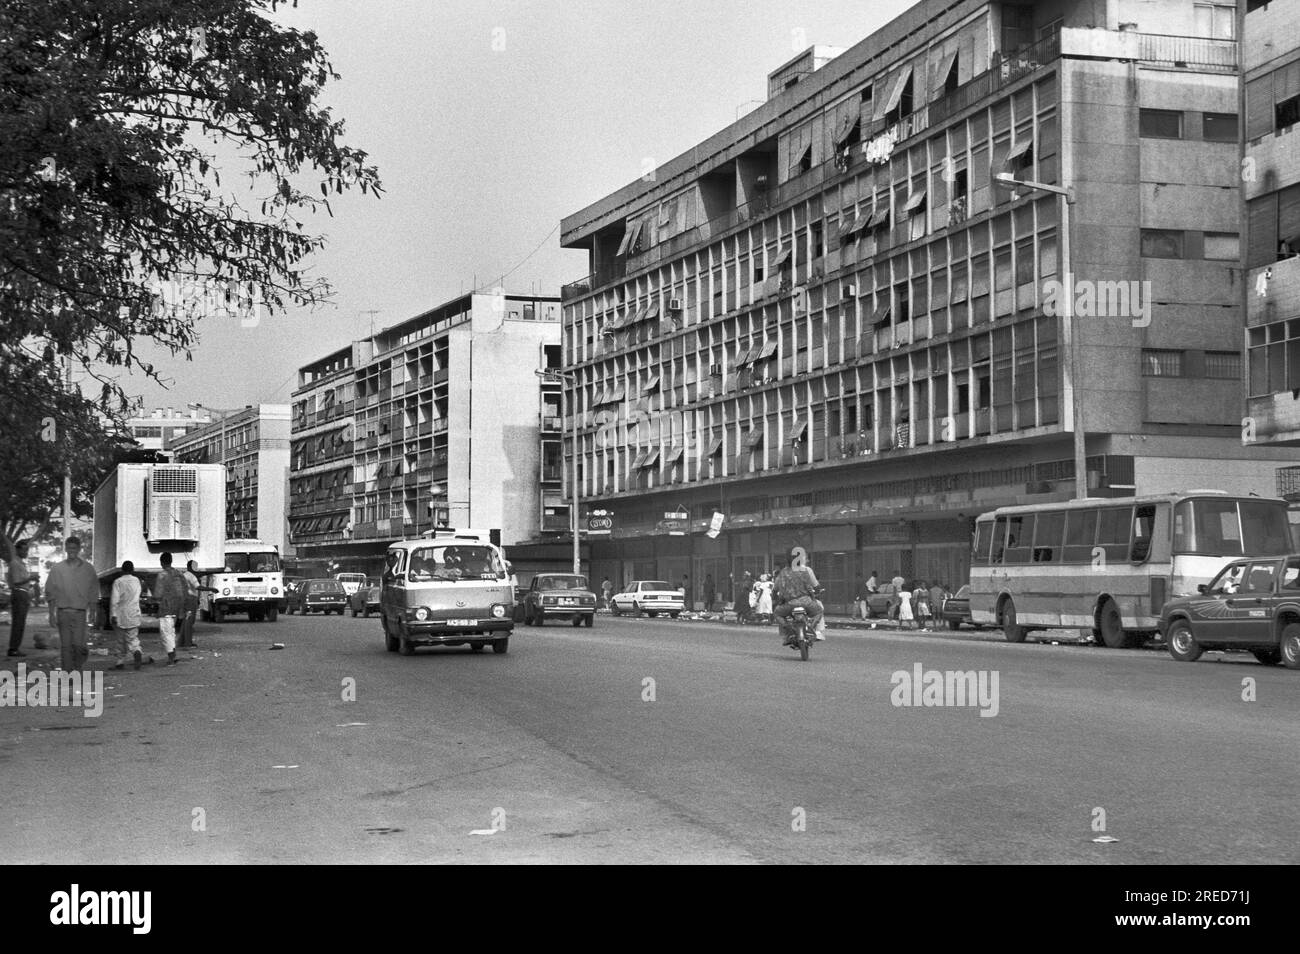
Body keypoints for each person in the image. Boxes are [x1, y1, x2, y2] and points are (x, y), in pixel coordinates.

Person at [44, 536, 100, 671]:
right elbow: (50, 592)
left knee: (78, 645)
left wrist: (93, 612)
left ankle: (77, 669)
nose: (71, 551)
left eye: (74, 548)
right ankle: (68, 673)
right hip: (63, 613)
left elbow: (93, 591)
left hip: (80, 613)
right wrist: (51, 614)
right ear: (66, 549)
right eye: (69, 548)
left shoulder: (88, 569)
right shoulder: (57, 569)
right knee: (66, 646)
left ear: (79, 549)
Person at [773, 553, 825, 644]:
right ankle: (813, 629)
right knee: (819, 611)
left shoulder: (783, 572)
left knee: (777, 613)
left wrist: (775, 598)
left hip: (789, 604)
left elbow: (775, 589)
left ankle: (787, 633)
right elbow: (816, 586)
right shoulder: (807, 570)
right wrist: (817, 592)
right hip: (807, 602)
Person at [109, 561, 151, 670]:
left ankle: (120, 661)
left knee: (120, 639)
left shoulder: (118, 582)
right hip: (134, 612)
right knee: (133, 637)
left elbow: (115, 600)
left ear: (122, 570)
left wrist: (113, 614)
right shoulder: (137, 581)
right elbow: (138, 595)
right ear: (132, 570)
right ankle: (136, 651)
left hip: (121, 614)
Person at [4, 537, 37, 658]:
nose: (26, 553)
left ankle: (15, 647)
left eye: (27, 550)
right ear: (17, 550)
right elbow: (17, 581)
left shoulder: (21, 564)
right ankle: (13, 649)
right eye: (23, 550)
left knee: (21, 622)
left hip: (23, 593)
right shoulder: (15, 563)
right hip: (19, 593)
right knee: (18, 622)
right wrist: (30, 578)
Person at [153, 551, 186, 665]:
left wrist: (155, 600)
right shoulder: (179, 574)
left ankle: (171, 656)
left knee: (166, 633)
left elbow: (158, 593)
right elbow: (184, 590)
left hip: (166, 607)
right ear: (171, 561)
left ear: (161, 562)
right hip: (177, 607)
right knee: (171, 632)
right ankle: (173, 653)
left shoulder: (162, 575)